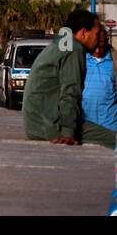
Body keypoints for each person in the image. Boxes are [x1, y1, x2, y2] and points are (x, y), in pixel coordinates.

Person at [22, 10, 104, 145]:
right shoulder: (73, 49)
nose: (100, 37)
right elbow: (71, 93)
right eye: (97, 33)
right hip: (50, 127)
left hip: (37, 124)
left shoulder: (62, 43)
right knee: (112, 138)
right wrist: (68, 133)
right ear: (84, 33)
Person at [80, 26, 117, 147]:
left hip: (110, 129)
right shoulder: (80, 60)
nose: (97, 51)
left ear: (107, 42)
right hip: (86, 130)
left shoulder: (114, 61)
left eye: (101, 46)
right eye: (94, 46)